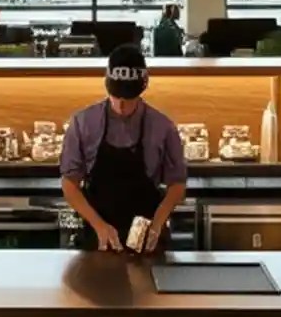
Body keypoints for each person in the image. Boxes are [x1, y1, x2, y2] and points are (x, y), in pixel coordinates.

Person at [60, 44, 187, 252]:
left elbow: (177, 184)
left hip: (148, 243)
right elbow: (69, 183)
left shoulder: (163, 127)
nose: (121, 104)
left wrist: (157, 224)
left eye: (128, 98)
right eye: (117, 96)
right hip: (98, 240)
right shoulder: (83, 123)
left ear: (143, 86)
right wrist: (99, 225)